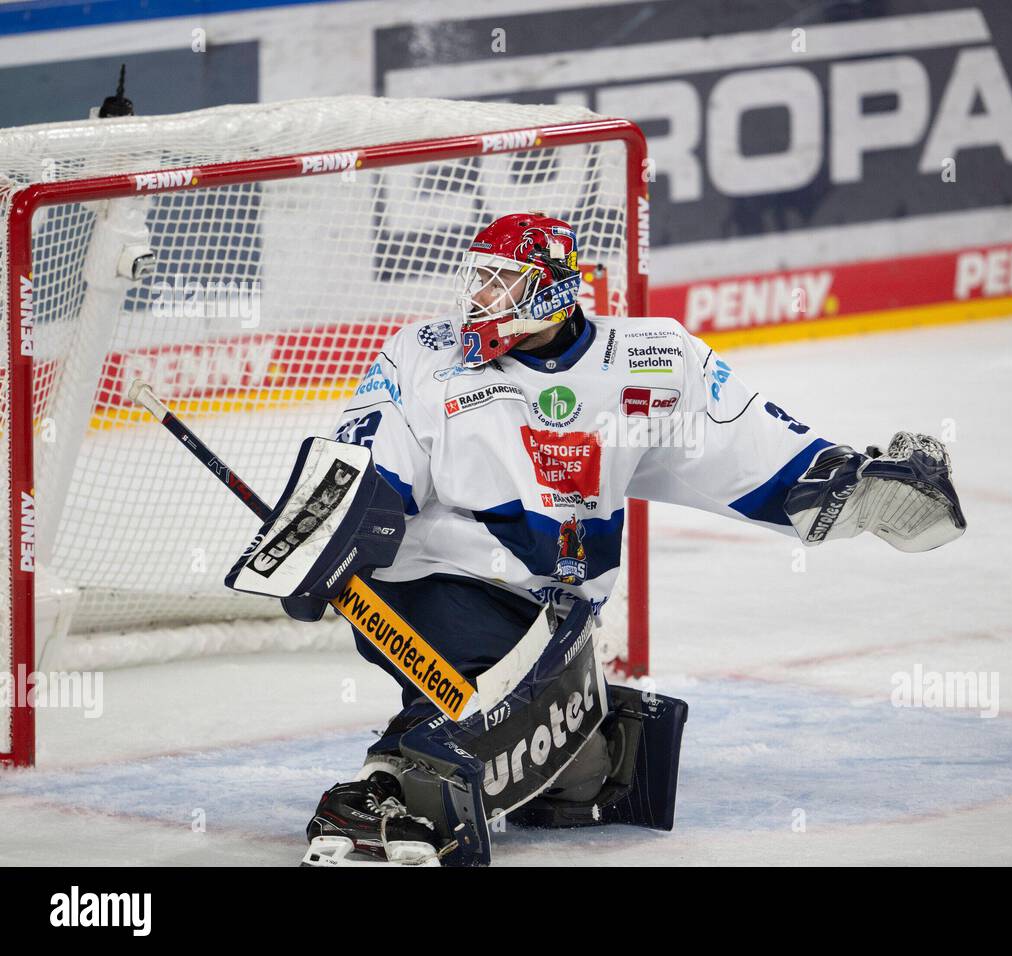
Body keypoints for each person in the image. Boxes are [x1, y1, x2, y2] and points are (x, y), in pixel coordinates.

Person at [226, 212, 967, 865]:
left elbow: (743, 444)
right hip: (430, 584)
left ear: (552, 288)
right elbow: (367, 452)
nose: (479, 298)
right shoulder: (426, 354)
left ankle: (425, 755)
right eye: (478, 279)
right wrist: (323, 541)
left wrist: (846, 483)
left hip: (556, 611)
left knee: (576, 780)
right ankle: (391, 785)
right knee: (481, 701)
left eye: (501, 282)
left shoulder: (651, 358)